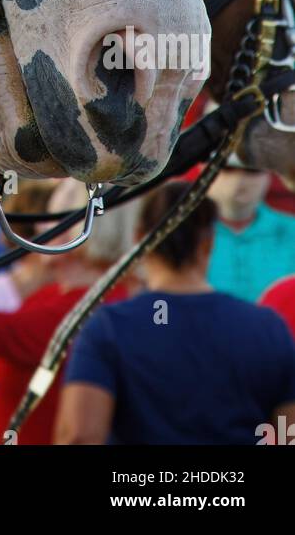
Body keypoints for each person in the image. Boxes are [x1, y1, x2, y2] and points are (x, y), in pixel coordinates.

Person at [56, 183, 295, 445]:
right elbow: (288, 432)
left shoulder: (107, 327)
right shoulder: (266, 327)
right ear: (209, 242)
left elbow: (80, 435)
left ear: (139, 238)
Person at [0, 180, 139, 444]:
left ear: (82, 231)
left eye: (52, 220)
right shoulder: (61, 293)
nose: (39, 229)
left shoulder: (92, 304)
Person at [206, 165, 295, 301]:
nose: (239, 181)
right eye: (228, 169)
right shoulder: (183, 234)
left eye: (252, 170)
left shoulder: (291, 231)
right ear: (204, 169)